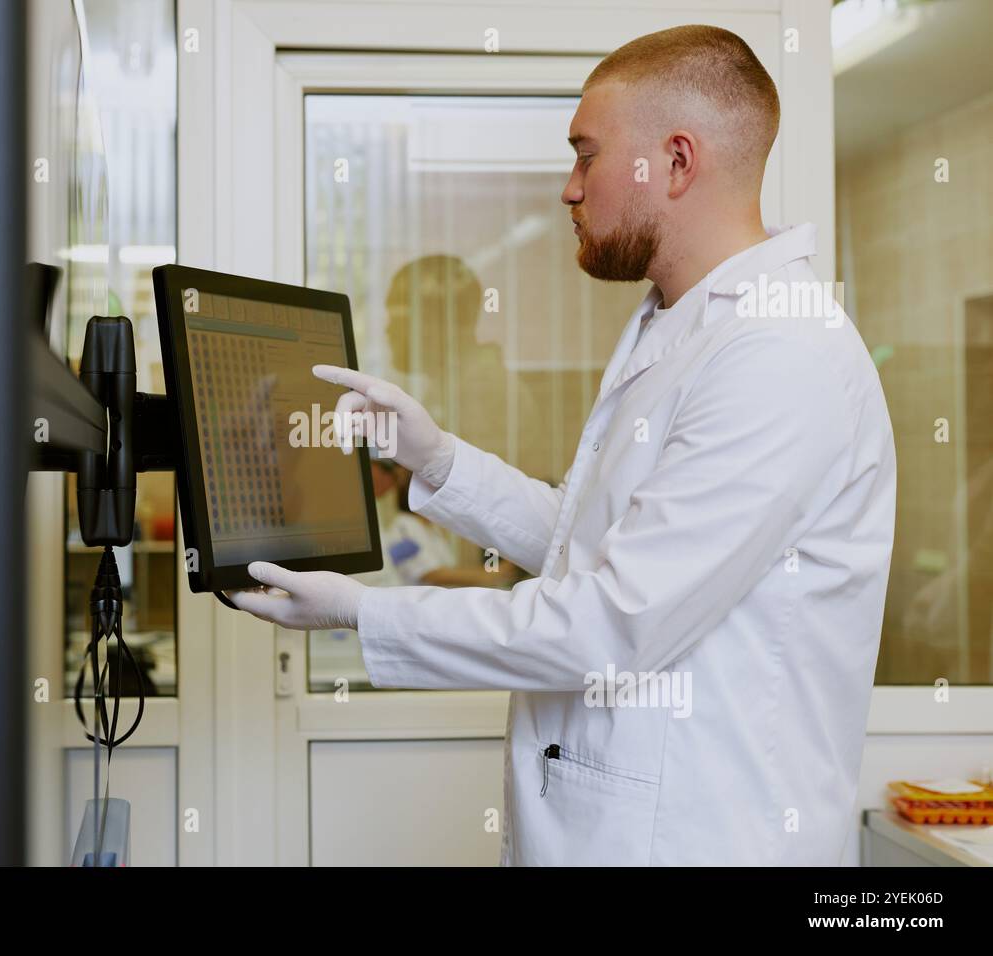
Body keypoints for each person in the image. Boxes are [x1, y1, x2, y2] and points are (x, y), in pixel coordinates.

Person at [228, 24, 896, 866]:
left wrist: (364, 611)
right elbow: (595, 545)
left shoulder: (779, 356)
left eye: (586, 155)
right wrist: (439, 460)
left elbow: (610, 621)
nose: (569, 189)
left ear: (677, 162)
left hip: (706, 837)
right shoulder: (676, 327)